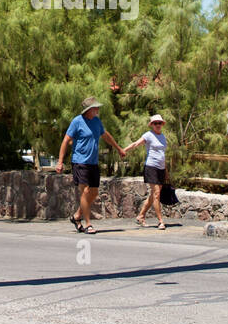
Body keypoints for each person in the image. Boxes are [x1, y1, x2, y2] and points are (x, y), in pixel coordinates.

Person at [56, 96, 126, 234]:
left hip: (93, 162)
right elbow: (66, 141)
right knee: (85, 191)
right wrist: (60, 161)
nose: (98, 109)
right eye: (95, 108)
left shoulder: (97, 121)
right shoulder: (77, 121)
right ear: (89, 109)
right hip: (80, 161)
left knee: (93, 193)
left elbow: (105, 135)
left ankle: (77, 216)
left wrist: (119, 149)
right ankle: (88, 224)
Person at [127, 114, 169, 229]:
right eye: (155, 123)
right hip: (151, 167)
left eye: (159, 123)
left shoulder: (163, 137)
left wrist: (166, 171)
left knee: (154, 194)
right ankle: (160, 221)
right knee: (156, 193)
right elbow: (136, 143)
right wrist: (124, 150)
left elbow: (163, 154)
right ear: (152, 125)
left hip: (161, 168)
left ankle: (140, 216)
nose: (158, 125)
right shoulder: (149, 135)